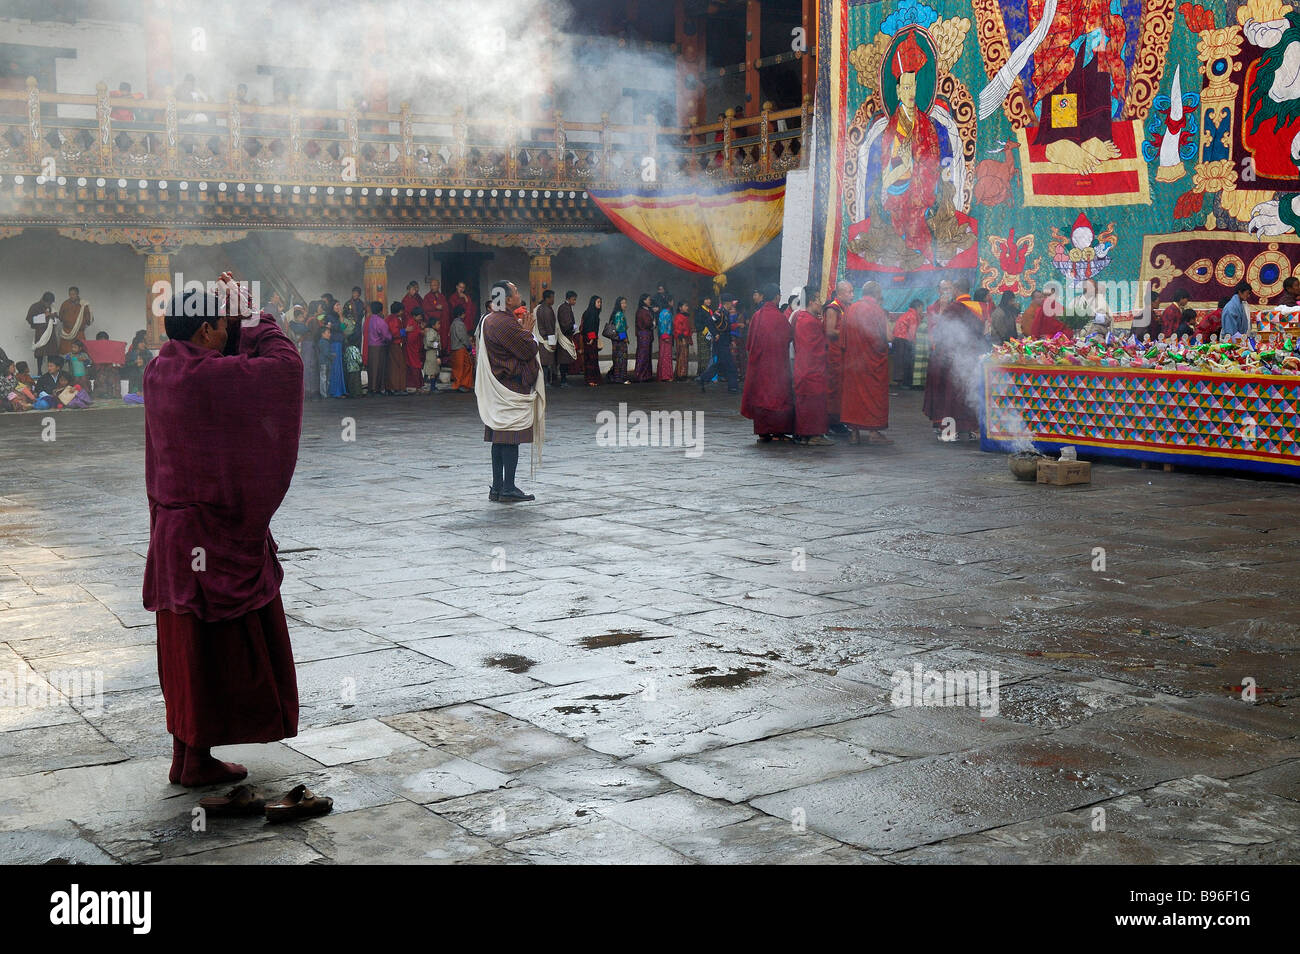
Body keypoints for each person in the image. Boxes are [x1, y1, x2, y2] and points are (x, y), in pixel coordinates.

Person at [144, 280, 304, 788]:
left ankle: (190, 757)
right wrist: (256, 315)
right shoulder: (209, 377)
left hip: (172, 536)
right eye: (223, 325)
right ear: (209, 327)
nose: (228, 334)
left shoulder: (159, 370)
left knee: (188, 652)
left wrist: (232, 320)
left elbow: (223, 367)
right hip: (211, 536)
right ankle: (194, 761)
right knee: (212, 651)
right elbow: (285, 369)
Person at [477, 280, 542, 503]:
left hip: (497, 387)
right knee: (511, 437)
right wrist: (528, 332)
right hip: (509, 386)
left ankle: (497, 487)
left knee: (499, 439)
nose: (519, 295)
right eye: (516, 292)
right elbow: (527, 349)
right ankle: (508, 488)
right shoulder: (504, 322)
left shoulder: (490, 319)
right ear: (506, 299)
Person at [923, 278, 984, 441]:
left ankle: (950, 431)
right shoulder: (980, 307)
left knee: (950, 395)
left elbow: (942, 332)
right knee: (968, 393)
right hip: (971, 355)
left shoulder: (953, 307)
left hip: (953, 357)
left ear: (956, 289)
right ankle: (972, 429)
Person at [740, 284, 794, 441]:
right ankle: (778, 432)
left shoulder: (757, 316)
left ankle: (763, 432)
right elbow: (790, 336)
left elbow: (749, 343)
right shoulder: (779, 317)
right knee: (778, 397)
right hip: (777, 366)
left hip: (760, 365)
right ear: (777, 297)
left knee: (761, 396)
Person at [841, 281, 892, 445]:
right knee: (874, 396)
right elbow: (889, 337)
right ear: (877, 294)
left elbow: (843, 337)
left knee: (853, 397)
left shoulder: (851, 309)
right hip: (872, 364)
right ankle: (873, 432)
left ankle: (854, 433)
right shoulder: (877, 311)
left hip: (853, 363)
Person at [792, 292, 832, 445]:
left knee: (804, 403)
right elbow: (817, 347)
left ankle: (804, 435)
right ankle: (814, 435)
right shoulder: (811, 322)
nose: (820, 303)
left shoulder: (800, 317)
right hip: (813, 369)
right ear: (810, 302)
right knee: (815, 403)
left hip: (802, 367)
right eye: (818, 300)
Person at [822, 281, 852, 433]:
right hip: (834, 356)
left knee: (841, 389)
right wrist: (849, 332)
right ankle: (831, 422)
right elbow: (829, 331)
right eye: (849, 292)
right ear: (840, 293)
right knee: (833, 388)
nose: (852, 295)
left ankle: (839, 420)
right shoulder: (833, 308)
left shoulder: (845, 308)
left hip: (842, 355)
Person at [892, 298, 923, 389]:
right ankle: (906, 384)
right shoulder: (913, 315)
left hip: (898, 339)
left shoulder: (907, 314)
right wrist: (915, 344)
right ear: (918, 307)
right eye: (921, 308)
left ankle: (901, 383)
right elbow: (912, 333)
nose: (922, 310)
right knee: (907, 361)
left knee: (900, 362)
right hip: (903, 340)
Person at [363, 300, 391, 395]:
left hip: (371, 346)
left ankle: (372, 387)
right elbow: (386, 336)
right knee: (379, 367)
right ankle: (378, 387)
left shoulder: (369, 320)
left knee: (372, 368)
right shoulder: (380, 321)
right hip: (379, 347)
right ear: (380, 310)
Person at [57, 286, 94, 355]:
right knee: (65, 353)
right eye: (70, 294)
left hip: (79, 333)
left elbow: (89, 320)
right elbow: (61, 318)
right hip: (67, 333)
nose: (71, 296)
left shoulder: (84, 304)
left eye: (73, 294)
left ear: (77, 294)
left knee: (81, 352)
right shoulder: (65, 304)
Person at [27, 291, 58, 373]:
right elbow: (30, 319)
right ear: (43, 300)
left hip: (51, 332)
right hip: (41, 333)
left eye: (50, 303)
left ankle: (51, 371)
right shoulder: (35, 306)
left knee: (52, 353)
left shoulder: (52, 308)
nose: (49, 305)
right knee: (40, 353)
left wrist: (53, 316)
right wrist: (44, 316)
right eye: (48, 303)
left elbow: (57, 319)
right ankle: (39, 372)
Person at [535, 289, 559, 385]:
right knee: (546, 363)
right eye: (552, 298)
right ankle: (545, 382)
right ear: (547, 298)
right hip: (545, 339)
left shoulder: (541, 308)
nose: (553, 300)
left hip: (542, 338)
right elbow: (549, 327)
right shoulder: (546, 310)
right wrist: (552, 343)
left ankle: (545, 382)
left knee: (545, 362)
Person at [422, 278, 451, 356]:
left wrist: (442, 309)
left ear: (438, 286)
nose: (432, 287)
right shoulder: (427, 297)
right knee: (434, 340)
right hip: (433, 325)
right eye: (431, 285)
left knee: (443, 340)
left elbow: (446, 309)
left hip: (442, 324)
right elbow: (425, 309)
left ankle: (442, 357)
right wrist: (435, 308)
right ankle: (437, 356)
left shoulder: (442, 296)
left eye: (434, 285)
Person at [449, 305, 475, 391]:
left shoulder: (453, 323)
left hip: (454, 348)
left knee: (457, 368)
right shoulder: (459, 324)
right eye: (464, 313)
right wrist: (468, 346)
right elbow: (462, 337)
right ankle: (463, 384)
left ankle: (458, 384)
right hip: (460, 348)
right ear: (461, 314)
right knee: (466, 366)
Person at [556, 290, 578, 386]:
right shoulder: (565, 308)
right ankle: (563, 380)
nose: (575, 302)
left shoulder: (566, 307)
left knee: (564, 360)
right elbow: (566, 324)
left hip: (565, 336)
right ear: (569, 299)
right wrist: (572, 328)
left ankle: (564, 380)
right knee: (564, 360)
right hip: (564, 336)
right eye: (574, 299)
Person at [386, 302, 409, 394]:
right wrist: (405, 330)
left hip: (390, 345)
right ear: (399, 311)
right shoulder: (394, 320)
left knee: (392, 366)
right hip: (395, 344)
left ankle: (392, 387)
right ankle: (398, 387)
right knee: (399, 366)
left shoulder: (388, 318)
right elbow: (395, 333)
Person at [606, 296, 629, 384]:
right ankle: (620, 378)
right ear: (619, 304)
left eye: (625, 303)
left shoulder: (616, 313)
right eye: (623, 303)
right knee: (621, 358)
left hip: (615, 340)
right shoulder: (619, 314)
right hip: (620, 340)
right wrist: (624, 338)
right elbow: (620, 329)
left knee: (617, 358)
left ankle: (616, 376)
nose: (625, 305)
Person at [581, 295, 603, 386]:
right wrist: (591, 339)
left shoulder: (592, 312)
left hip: (591, 338)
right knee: (591, 359)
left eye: (600, 302)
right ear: (593, 303)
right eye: (598, 302)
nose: (600, 304)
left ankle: (592, 379)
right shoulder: (591, 313)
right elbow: (590, 327)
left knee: (592, 359)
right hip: (590, 339)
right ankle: (591, 379)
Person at [632, 293, 655, 382]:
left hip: (645, 335)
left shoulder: (646, 310)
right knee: (643, 355)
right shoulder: (642, 311)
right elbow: (647, 323)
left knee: (646, 355)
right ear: (644, 300)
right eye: (648, 299)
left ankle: (645, 375)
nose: (650, 301)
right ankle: (640, 375)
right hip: (644, 335)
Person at [404, 307, 425, 391]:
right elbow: (411, 338)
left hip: (415, 348)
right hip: (412, 348)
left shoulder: (415, 322)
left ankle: (418, 385)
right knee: (415, 366)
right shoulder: (411, 322)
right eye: (419, 316)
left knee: (416, 366)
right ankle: (417, 386)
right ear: (414, 316)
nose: (421, 318)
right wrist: (420, 332)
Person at [125, 331, 152, 396]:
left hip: (145, 379)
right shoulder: (130, 354)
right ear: (136, 343)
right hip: (134, 379)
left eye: (144, 342)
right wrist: (135, 362)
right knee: (131, 397)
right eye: (141, 342)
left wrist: (144, 362)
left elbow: (152, 364)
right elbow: (125, 366)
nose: (143, 344)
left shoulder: (148, 353)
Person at [322, 324, 346, 397]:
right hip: (325, 361)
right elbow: (326, 353)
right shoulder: (324, 342)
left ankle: (328, 392)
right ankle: (326, 393)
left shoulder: (325, 341)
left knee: (326, 377)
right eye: (328, 333)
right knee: (325, 377)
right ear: (322, 334)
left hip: (327, 361)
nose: (330, 334)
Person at [673, 302, 692, 379]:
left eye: (687, 306)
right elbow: (678, 329)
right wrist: (682, 338)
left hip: (685, 338)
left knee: (685, 357)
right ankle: (680, 374)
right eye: (685, 306)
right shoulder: (678, 317)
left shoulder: (685, 317)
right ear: (680, 308)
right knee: (681, 356)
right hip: (682, 339)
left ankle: (682, 374)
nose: (687, 307)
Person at [694, 297, 713, 376]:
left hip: (709, 334)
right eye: (706, 299)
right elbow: (698, 324)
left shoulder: (710, 310)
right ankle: (702, 373)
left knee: (708, 353)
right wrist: (706, 332)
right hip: (702, 334)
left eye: (709, 299)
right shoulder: (700, 310)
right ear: (703, 300)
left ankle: (707, 372)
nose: (708, 301)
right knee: (703, 354)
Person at [656, 299, 674, 382]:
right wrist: (665, 336)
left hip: (664, 336)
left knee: (664, 355)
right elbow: (663, 326)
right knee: (666, 356)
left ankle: (663, 375)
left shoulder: (664, 312)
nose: (673, 303)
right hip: (666, 337)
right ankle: (665, 375)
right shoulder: (665, 313)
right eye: (671, 301)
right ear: (668, 302)